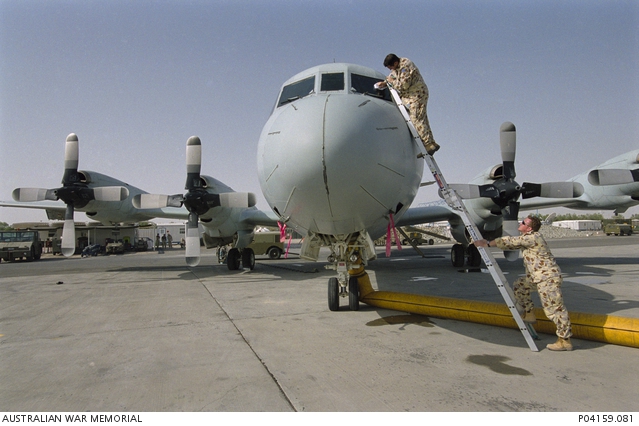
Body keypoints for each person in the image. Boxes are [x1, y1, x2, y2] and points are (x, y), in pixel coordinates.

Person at [474, 215, 573, 351]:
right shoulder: (528, 238)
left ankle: (564, 340)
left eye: (523, 222)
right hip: (536, 277)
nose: (520, 223)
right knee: (520, 285)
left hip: (547, 278)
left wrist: (487, 243)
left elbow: (511, 241)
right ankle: (529, 313)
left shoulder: (533, 237)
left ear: (529, 228)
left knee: (554, 309)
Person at [377, 53, 439, 156]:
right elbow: (392, 76)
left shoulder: (405, 66)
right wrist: (384, 83)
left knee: (416, 118)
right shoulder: (397, 67)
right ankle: (431, 143)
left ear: (395, 63)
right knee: (422, 118)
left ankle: (428, 144)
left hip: (417, 95)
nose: (390, 70)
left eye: (390, 67)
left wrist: (391, 82)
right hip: (412, 96)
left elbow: (404, 86)